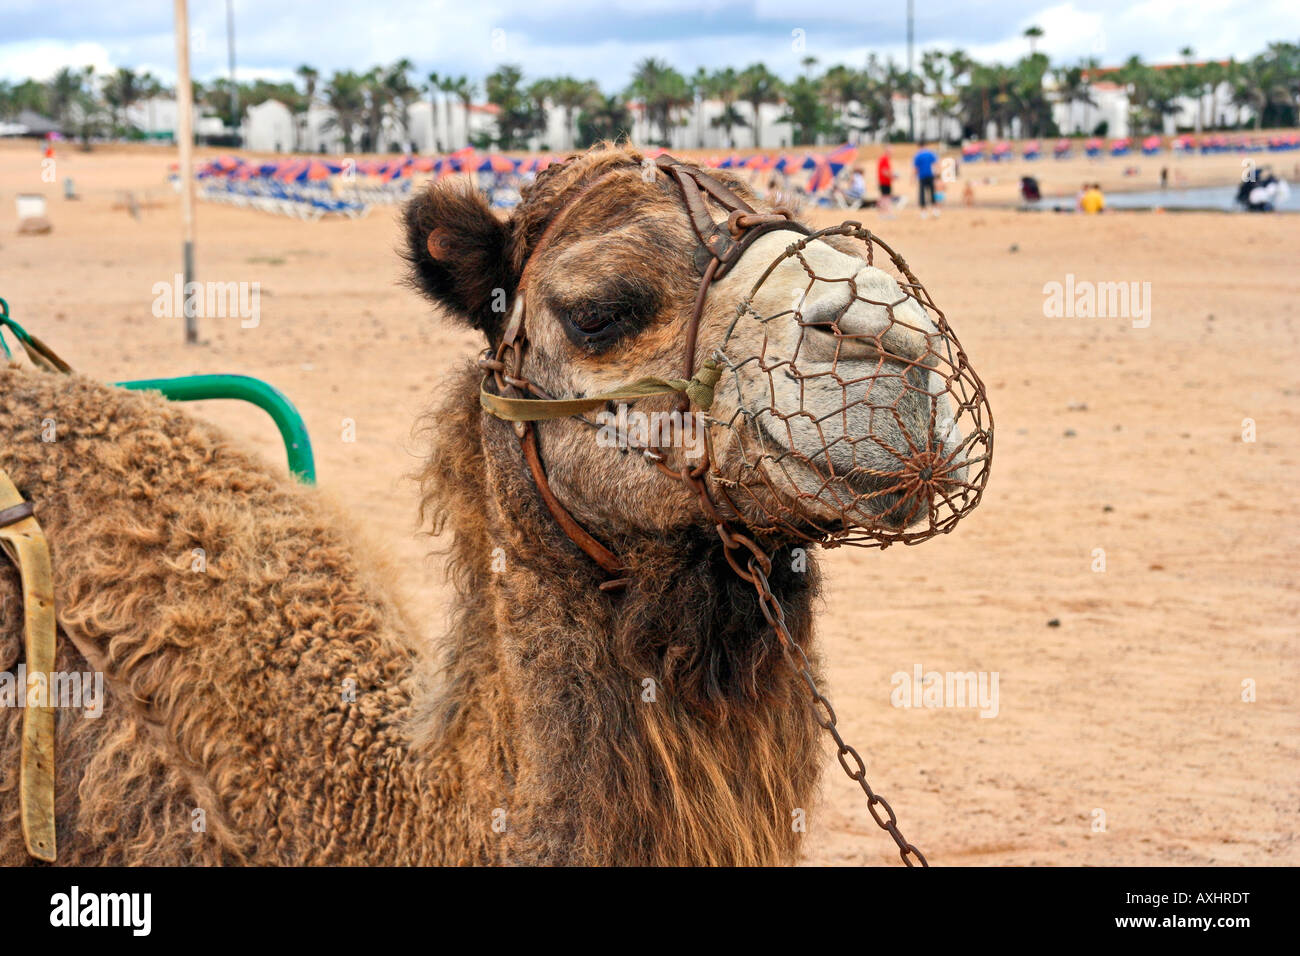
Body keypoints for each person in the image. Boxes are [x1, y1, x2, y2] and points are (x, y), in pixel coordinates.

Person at [913, 141, 938, 217]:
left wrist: (913, 178)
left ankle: (924, 212)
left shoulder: (918, 155)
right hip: (930, 175)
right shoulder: (931, 154)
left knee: (922, 194)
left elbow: (916, 168)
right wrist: (937, 175)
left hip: (922, 176)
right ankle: (934, 210)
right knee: (932, 193)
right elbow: (936, 164)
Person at [876, 147, 893, 215]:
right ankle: (887, 212)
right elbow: (884, 172)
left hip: (883, 181)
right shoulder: (885, 159)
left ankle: (883, 212)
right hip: (885, 181)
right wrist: (892, 176)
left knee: (883, 197)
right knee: (886, 197)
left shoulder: (883, 158)